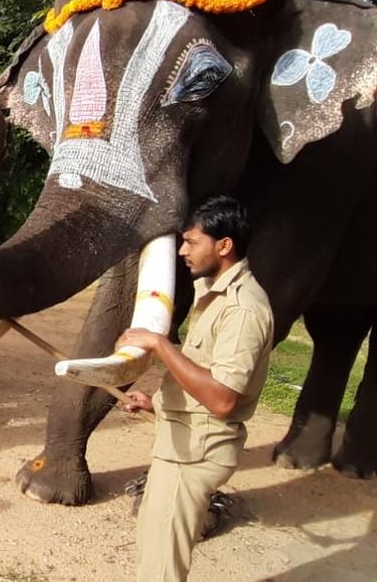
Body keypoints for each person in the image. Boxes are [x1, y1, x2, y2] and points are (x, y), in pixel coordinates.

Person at [117, 196, 273, 582]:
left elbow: (222, 399)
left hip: (195, 455)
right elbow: (207, 374)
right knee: (154, 553)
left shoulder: (242, 309)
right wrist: (156, 404)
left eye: (192, 241)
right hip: (182, 445)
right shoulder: (217, 296)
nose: (183, 251)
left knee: (161, 570)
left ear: (224, 246)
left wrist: (161, 345)